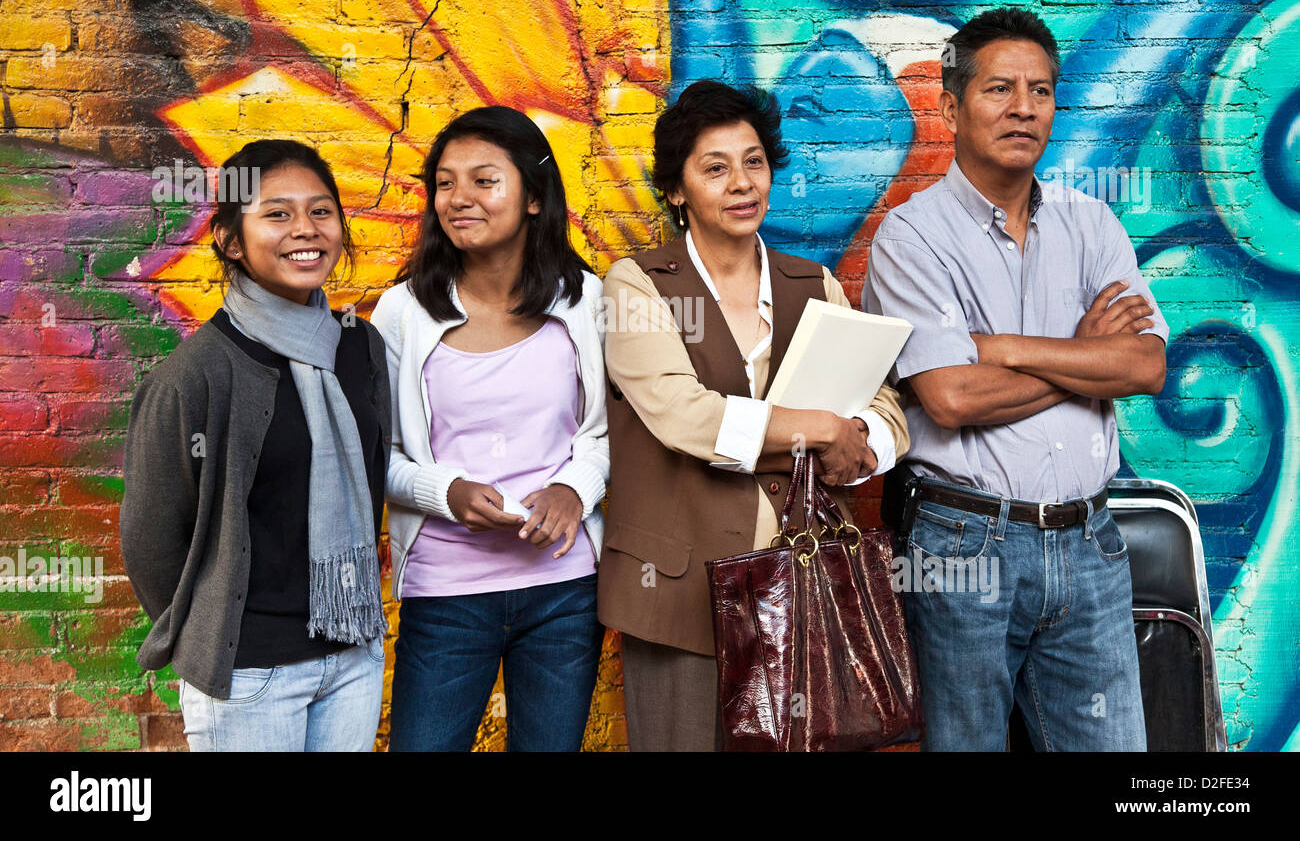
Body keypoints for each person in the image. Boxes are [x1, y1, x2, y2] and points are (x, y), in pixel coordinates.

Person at [864, 7, 1168, 751]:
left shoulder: (1093, 225)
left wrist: (1000, 347)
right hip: (965, 544)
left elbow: (1145, 364)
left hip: (1089, 541)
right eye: (999, 88)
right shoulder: (912, 236)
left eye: (1040, 91)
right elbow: (951, 397)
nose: (1023, 108)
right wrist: (1082, 357)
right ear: (951, 106)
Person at [598, 79, 910, 752]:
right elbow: (685, 418)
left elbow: (884, 402)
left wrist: (862, 441)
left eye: (754, 162)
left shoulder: (813, 285)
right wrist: (820, 430)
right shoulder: (638, 285)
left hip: (806, 589)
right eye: (715, 167)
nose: (741, 183)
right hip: (681, 597)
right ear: (677, 190)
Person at [121, 140, 390, 752]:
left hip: (353, 656)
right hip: (250, 675)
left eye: (322, 212)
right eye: (277, 213)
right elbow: (151, 542)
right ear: (230, 239)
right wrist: (212, 631)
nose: (306, 230)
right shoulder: (195, 376)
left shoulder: (358, 347)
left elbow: (378, 472)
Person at [371, 106, 609, 752]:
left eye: (484, 180)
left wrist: (573, 491)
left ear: (534, 196)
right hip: (445, 591)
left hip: (563, 589)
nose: (459, 199)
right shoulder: (402, 311)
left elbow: (608, 434)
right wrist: (444, 491)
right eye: (445, 183)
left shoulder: (586, 301)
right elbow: (378, 454)